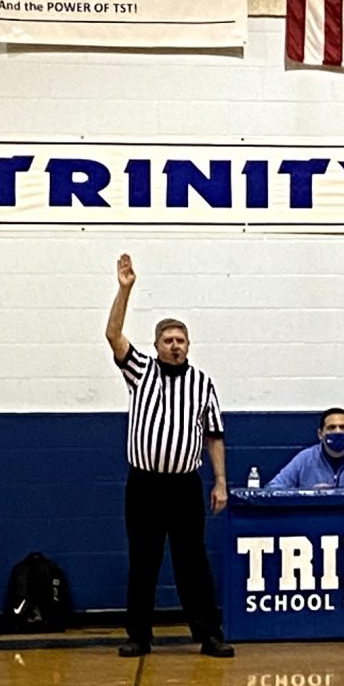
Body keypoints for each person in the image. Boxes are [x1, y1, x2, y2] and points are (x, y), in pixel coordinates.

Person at [104, 253, 233, 659]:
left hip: (183, 485)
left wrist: (221, 482)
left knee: (192, 562)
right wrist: (124, 289)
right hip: (144, 484)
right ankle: (139, 636)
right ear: (157, 346)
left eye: (181, 340)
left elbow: (213, 435)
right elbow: (112, 335)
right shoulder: (140, 370)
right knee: (143, 561)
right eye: (168, 341)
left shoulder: (202, 382)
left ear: (188, 345)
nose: (175, 346)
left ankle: (209, 634)